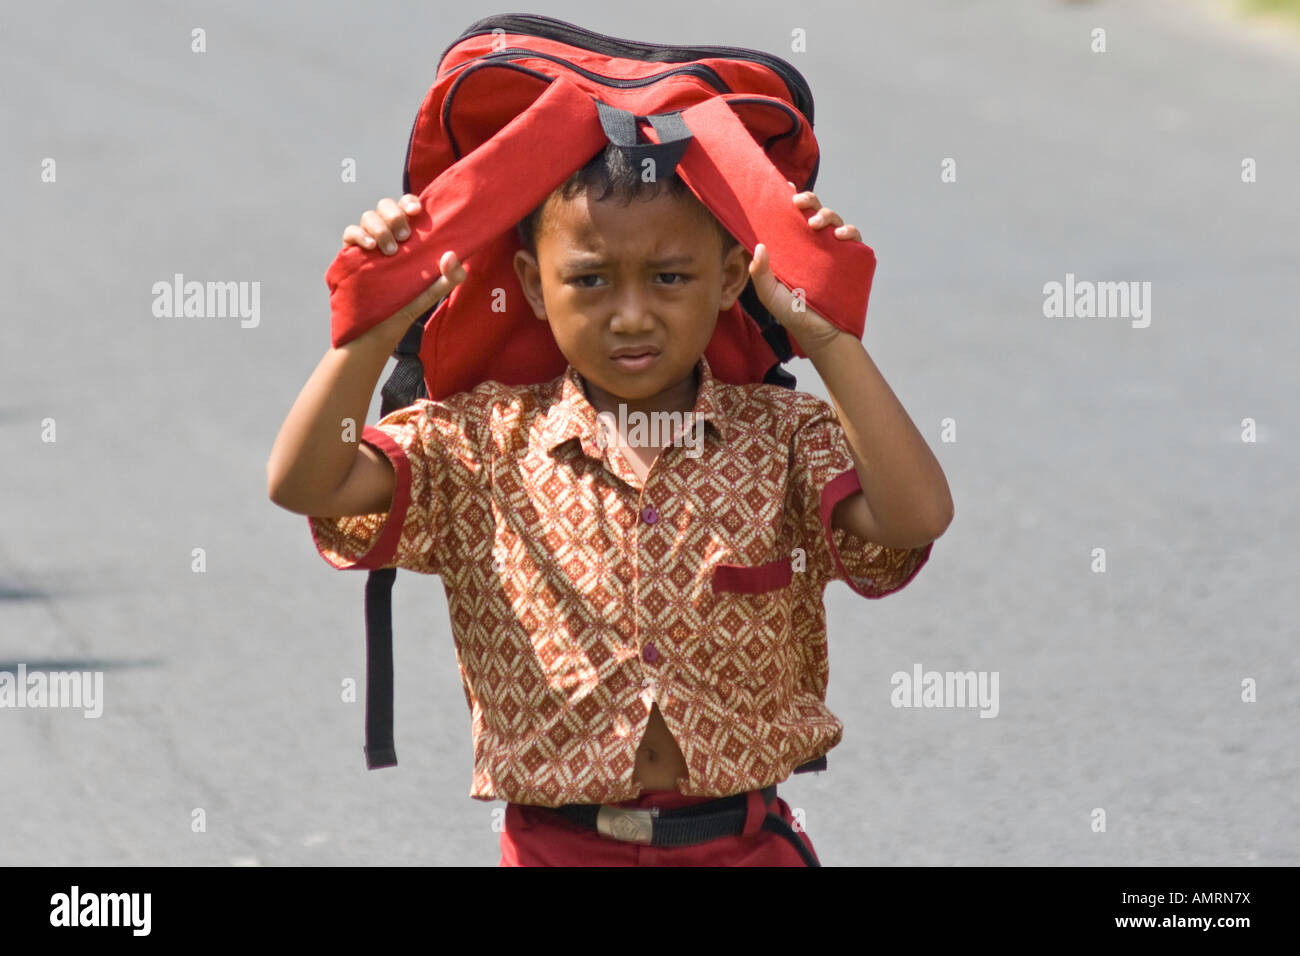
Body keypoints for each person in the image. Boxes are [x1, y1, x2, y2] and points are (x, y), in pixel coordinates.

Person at [266, 144, 954, 866]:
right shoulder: (480, 445)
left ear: (727, 279)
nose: (631, 315)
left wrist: (827, 331)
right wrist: (372, 325)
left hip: (746, 848)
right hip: (554, 851)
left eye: (669, 277)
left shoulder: (780, 438)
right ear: (534, 286)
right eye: (590, 279)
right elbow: (306, 483)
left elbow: (916, 517)